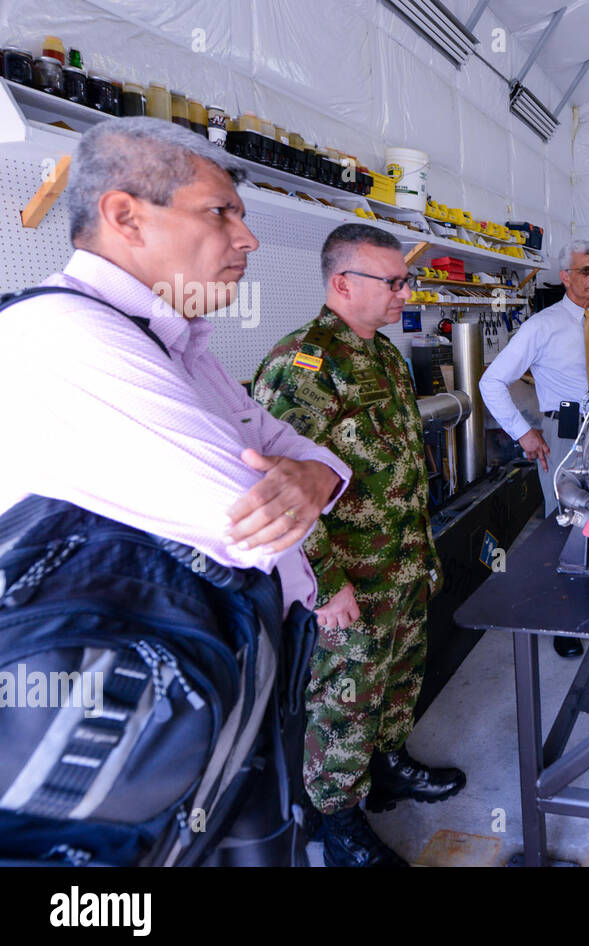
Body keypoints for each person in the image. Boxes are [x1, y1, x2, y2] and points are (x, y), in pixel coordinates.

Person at [0, 116, 349, 618]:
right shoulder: (65, 332)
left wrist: (317, 478)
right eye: (220, 212)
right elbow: (249, 525)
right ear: (125, 217)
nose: (247, 239)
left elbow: (289, 449)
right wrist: (310, 485)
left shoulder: (181, 345)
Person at [253, 224, 466, 867]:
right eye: (394, 281)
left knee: (398, 684)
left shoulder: (383, 355)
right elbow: (276, 485)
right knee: (345, 703)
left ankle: (390, 766)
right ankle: (338, 823)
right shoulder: (303, 365)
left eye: (406, 280)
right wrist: (324, 582)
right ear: (343, 283)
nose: (407, 291)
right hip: (349, 580)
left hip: (400, 564)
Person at [478, 239, 589, 658]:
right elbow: (491, 382)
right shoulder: (539, 327)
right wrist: (523, 432)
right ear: (565, 277)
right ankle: (565, 619)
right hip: (564, 433)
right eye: (586, 271)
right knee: (566, 521)